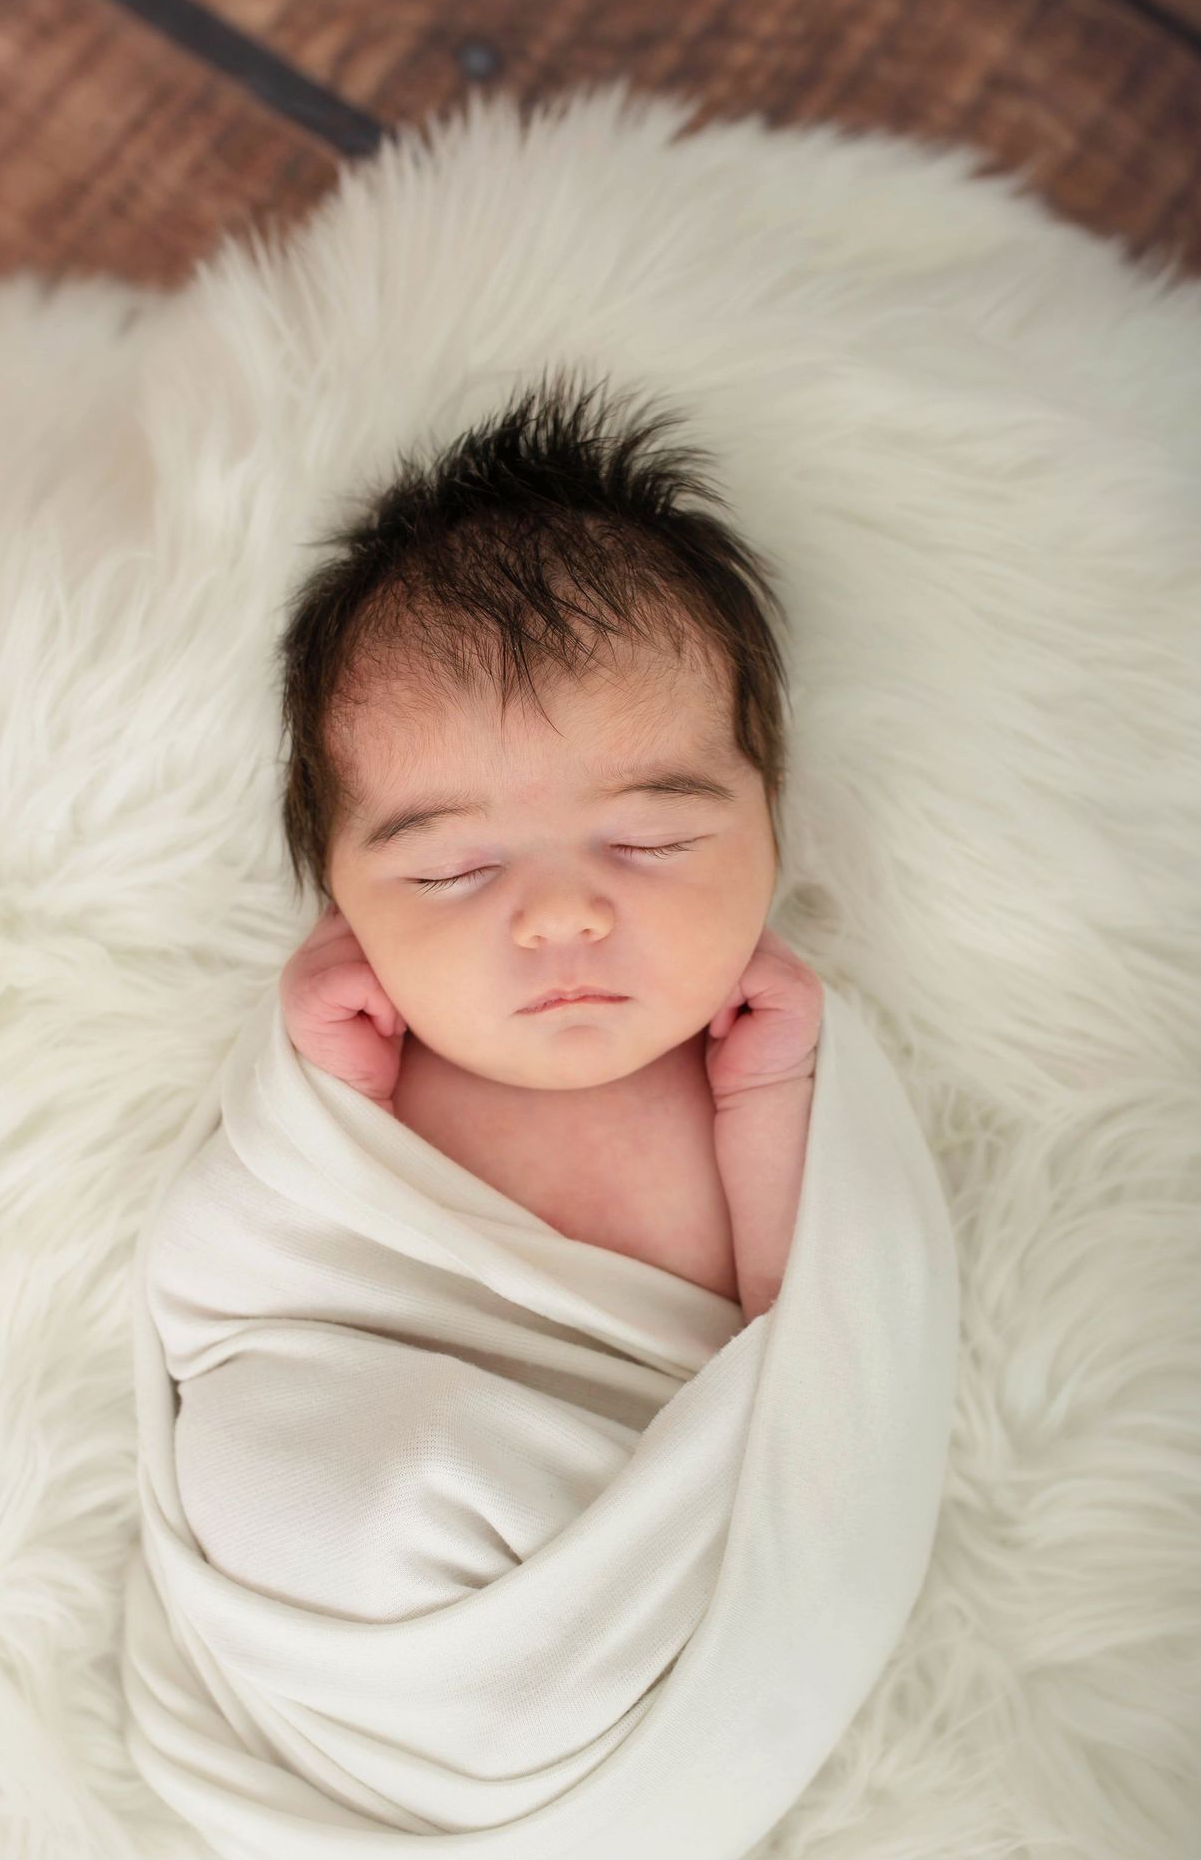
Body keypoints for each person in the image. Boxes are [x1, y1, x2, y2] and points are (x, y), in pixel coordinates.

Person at [274, 366, 822, 1317]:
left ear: (770, 823)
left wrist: (774, 1091)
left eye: (652, 841)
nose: (561, 915)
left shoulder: (777, 1070)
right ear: (338, 896)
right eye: (453, 870)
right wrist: (336, 1100)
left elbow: (818, 1345)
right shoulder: (358, 1072)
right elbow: (295, 1303)